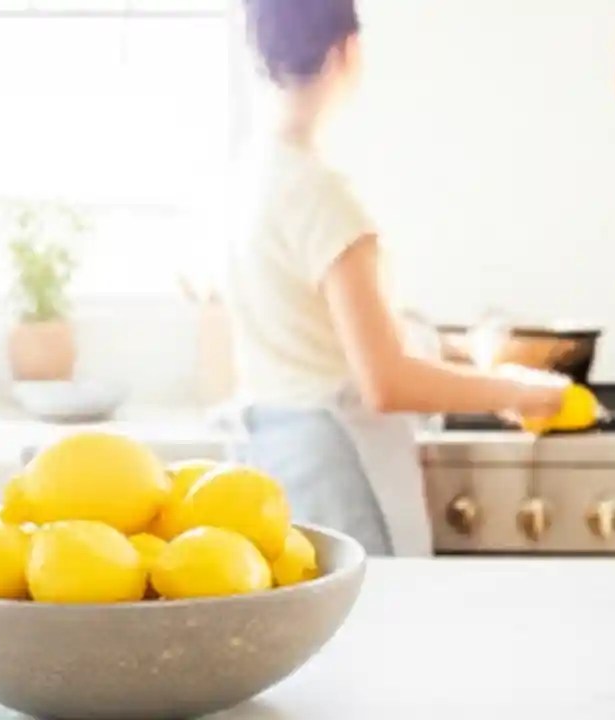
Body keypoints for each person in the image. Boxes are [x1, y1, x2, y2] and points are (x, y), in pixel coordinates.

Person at [226, 0, 568, 557]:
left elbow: (307, 334)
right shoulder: (320, 197)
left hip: (276, 465)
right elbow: (385, 382)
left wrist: (446, 347)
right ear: (347, 51)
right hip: (341, 469)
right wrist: (518, 392)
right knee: (377, 636)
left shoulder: (248, 180)